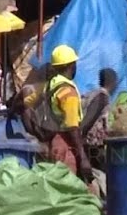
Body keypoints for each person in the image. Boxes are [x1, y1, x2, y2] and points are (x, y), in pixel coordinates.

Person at [23, 44, 93, 183]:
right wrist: (83, 158)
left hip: (52, 142)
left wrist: (32, 129)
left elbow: (25, 103)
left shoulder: (49, 86)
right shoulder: (68, 92)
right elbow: (72, 127)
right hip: (66, 144)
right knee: (67, 187)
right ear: (71, 65)